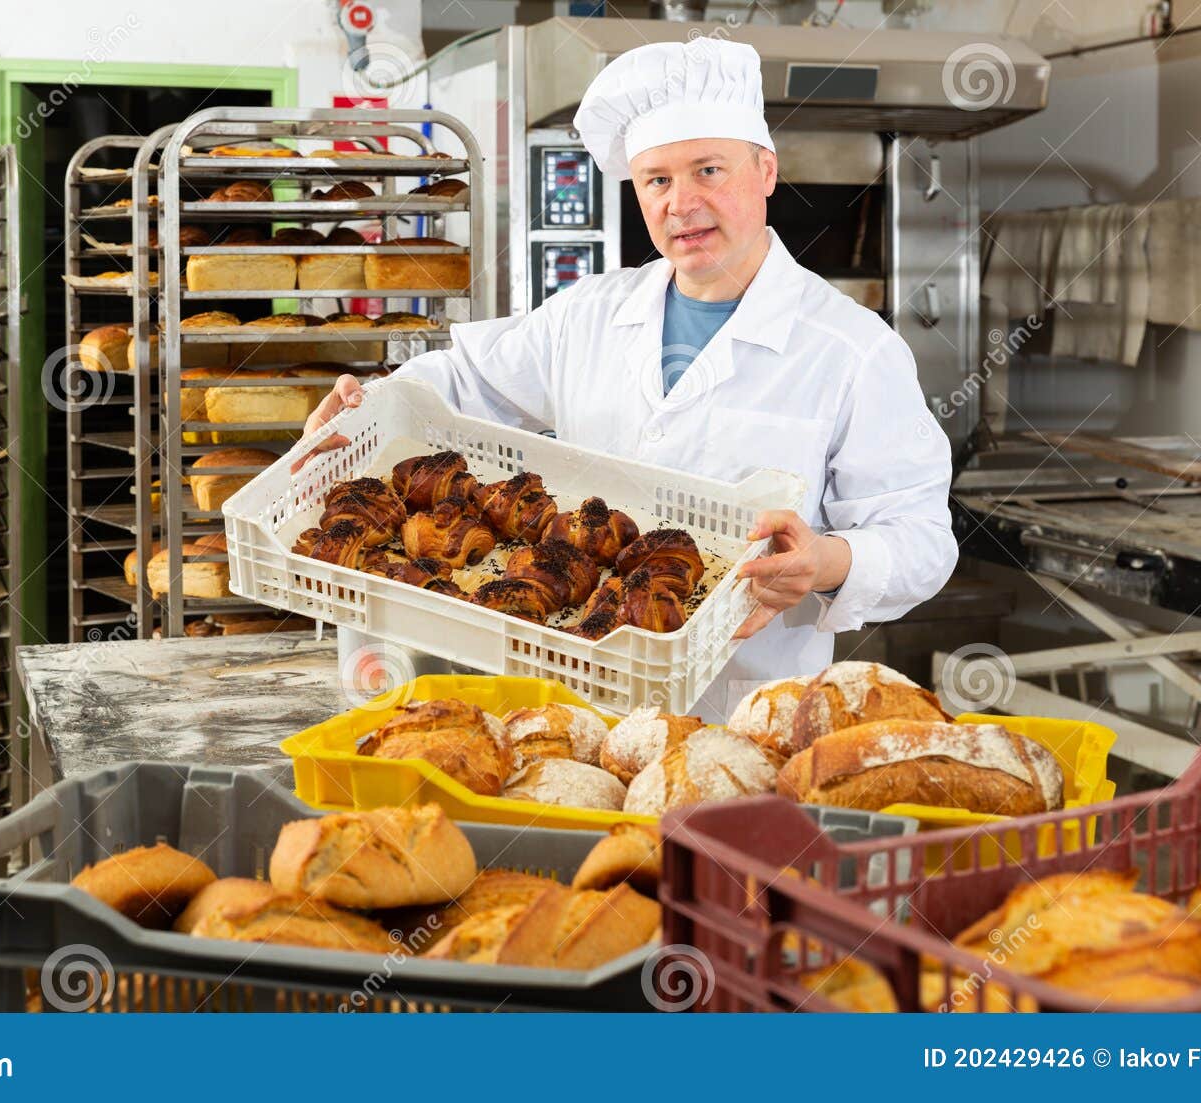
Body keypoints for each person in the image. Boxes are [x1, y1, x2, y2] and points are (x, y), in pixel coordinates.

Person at [303, 37, 956, 721]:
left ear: (767, 170)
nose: (682, 202)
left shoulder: (852, 349)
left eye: (708, 169)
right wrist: (365, 401)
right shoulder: (590, 313)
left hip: (741, 719)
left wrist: (826, 561)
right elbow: (463, 379)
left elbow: (919, 538)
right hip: (574, 706)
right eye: (658, 179)